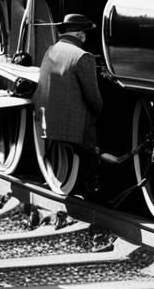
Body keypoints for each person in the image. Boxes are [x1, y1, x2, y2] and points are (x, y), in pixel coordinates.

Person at [31, 13, 103, 192]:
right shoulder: (83, 56)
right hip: (74, 127)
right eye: (86, 34)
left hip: (50, 120)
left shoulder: (51, 50)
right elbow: (93, 97)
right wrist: (101, 111)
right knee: (96, 128)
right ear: (80, 34)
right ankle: (93, 183)